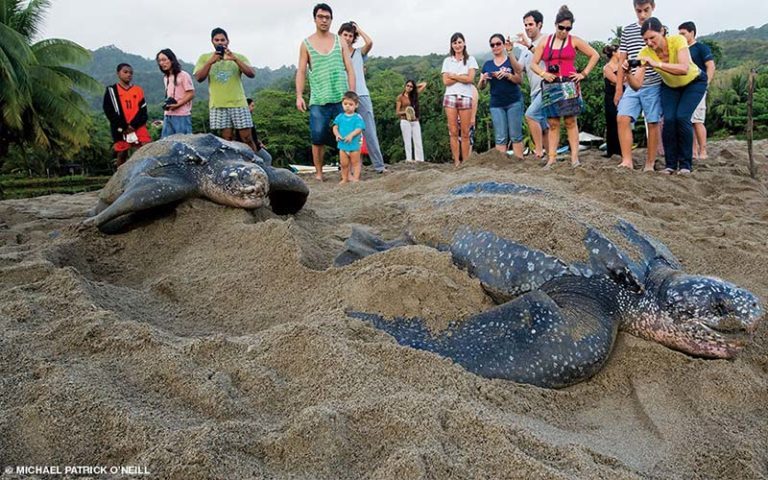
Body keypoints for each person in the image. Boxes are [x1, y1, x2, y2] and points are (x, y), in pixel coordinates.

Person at [629, 17, 706, 175]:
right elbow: (637, 85)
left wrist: (657, 64)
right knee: (669, 119)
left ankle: (685, 164)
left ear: (662, 32)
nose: (649, 43)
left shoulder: (677, 40)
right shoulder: (644, 52)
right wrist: (627, 73)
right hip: (670, 86)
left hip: (694, 82)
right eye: (645, 40)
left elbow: (684, 68)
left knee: (682, 117)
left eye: (652, 38)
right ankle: (670, 164)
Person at [530, 5, 599, 168]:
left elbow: (594, 55)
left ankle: (575, 158)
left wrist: (584, 73)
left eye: (568, 28)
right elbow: (534, 63)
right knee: (553, 123)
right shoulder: (545, 41)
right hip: (550, 84)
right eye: (561, 27)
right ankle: (552, 158)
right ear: (555, 25)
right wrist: (543, 73)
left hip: (568, 83)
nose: (564, 31)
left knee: (570, 121)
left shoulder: (573, 40)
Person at [296, 3, 356, 181]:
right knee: (318, 135)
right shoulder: (306, 43)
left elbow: (350, 69)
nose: (324, 20)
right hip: (319, 98)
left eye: (327, 17)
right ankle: (319, 173)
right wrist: (299, 95)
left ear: (331, 20)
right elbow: (300, 71)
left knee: (347, 134)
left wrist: (352, 94)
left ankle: (350, 171)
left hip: (341, 97)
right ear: (315, 19)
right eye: (321, 17)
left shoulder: (340, 41)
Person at [615, 0, 662, 172]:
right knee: (622, 118)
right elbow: (622, 60)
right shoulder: (628, 31)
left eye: (646, 10)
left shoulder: (659, 28)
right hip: (632, 83)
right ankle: (627, 160)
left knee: (653, 121)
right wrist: (619, 88)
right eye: (639, 11)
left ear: (653, 7)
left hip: (654, 83)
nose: (642, 15)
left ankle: (650, 163)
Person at [194, 27, 258, 152]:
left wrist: (235, 59)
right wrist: (211, 62)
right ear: (212, 41)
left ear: (228, 41)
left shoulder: (238, 56)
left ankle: (257, 164)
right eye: (216, 40)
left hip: (238, 102)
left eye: (222, 40)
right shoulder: (205, 57)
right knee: (227, 139)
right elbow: (199, 78)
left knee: (247, 138)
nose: (220, 42)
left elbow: (251, 74)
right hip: (218, 104)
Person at [338, 21, 387, 173]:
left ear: (354, 38)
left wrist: (358, 29)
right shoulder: (336, 56)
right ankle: (350, 168)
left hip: (362, 95)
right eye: (344, 35)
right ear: (339, 36)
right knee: (347, 133)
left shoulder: (359, 53)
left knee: (369, 131)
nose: (347, 38)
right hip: (345, 97)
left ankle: (379, 166)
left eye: (350, 35)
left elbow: (370, 42)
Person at [478, 33, 524, 158]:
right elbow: (480, 87)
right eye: (492, 45)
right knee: (500, 137)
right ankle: (501, 166)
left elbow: (520, 80)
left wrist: (508, 75)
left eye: (498, 44)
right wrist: (483, 80)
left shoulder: (511, 61)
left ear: (503, 45)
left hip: (514, 101)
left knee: (516, 135)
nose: (495, 47)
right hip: (496, 104)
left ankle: (519, 161)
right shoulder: (487, 64)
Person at [679, 21, 716, 161]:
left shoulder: (701, 48)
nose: (681, 36)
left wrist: (706, 84)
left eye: (683, 33)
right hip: (684, 89)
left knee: (698, 121)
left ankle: (703, 150)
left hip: (698, 87)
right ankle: (693, 151)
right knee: (687, 121)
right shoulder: (681, 49)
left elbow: (710, 66)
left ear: (692, 33)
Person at [516, 10, 549, 159]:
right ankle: (551, 156)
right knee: (544, 127)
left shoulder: (547, 39)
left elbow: (547, 57)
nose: (527, 28)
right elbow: (518, 69)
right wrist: (509, 51)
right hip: (534, 90)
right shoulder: (524, 50)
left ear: (539, 24)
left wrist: (529, 45)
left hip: (547, 86)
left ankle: (539, 150)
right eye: (525, 25)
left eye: (530, 24)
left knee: (530, 115)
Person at [102, 63, 150, 167]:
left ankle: (142, 174)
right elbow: (109, 111)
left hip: (137, 126)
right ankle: (119, 178)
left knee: (144, 150)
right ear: (118, 73)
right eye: (125, 72)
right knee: (122, 153)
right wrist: (124, 126)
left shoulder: (138, 90)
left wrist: (133, 125)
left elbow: (143, 111)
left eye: (131, 73)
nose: (129, 75)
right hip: (121, 127)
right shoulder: (111, 91)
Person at [441, 32, 478, 167]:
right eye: (455, 43)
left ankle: (466, 162)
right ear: (452, 45)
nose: (457, 45)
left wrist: (454, 76)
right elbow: (445, 81)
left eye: (460, 42)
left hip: (466, 97)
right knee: (453, 131)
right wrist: (462, 76)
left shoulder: (470, 60)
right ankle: (456, 161)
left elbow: (470, 79)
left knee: (465, 132)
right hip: (450, 97)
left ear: (464, 43)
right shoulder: (447, 61)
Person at [156, 49, 195, 137]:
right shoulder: (166, 77)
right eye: (159, 61)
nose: (162, 63)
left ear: (172, 60)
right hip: (168, 115)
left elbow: (191, 93)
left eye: (164, 60)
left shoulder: (183, 75)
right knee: (166, 144)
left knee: (183, 144)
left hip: (182, 116)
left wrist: (177, 105)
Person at [332, 91, 366, 184]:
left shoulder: (357, 117)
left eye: (350, 104)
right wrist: (337, 134)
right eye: (345, 104)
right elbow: (335, 126)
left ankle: (355, 178)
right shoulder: (340, 117)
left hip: (354, 145)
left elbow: (359, 128)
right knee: (344, 164)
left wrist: (351, 135)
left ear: (356, 105)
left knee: (355, 163)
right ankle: (344, 178)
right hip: (342, 145)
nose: (347, 106)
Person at [234, 98, 273, 166]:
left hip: (253, 144)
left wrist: (258, 142)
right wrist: (255, 146)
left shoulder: (245, 118)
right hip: (250, 146)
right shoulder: (244, 119)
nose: (253, 108)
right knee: (267, 158)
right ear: (247, 106)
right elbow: (247, 136)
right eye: (252, 106)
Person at [396, 80, 427, 162]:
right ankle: (409, 159)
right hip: (405, 120)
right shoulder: (400, 97)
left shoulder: (414, 95)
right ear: (405, 86)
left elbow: (424, 84)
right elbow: (397, 112)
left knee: (418, 140)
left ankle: (419, 159)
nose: (409, 88)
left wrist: (414, 86)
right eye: (407, 86)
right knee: (407, 141)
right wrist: (406, 111)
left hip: (415, 120)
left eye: (411, 86)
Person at [602, 44, 622, 158]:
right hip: (611, 97)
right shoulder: (607, 67)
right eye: (620, 51)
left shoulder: (622, 65)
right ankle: (612, 150)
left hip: (623, 95)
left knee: (622, 122)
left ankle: (621, 149)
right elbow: (616, 81)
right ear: (614, 53)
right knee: (612, 122)